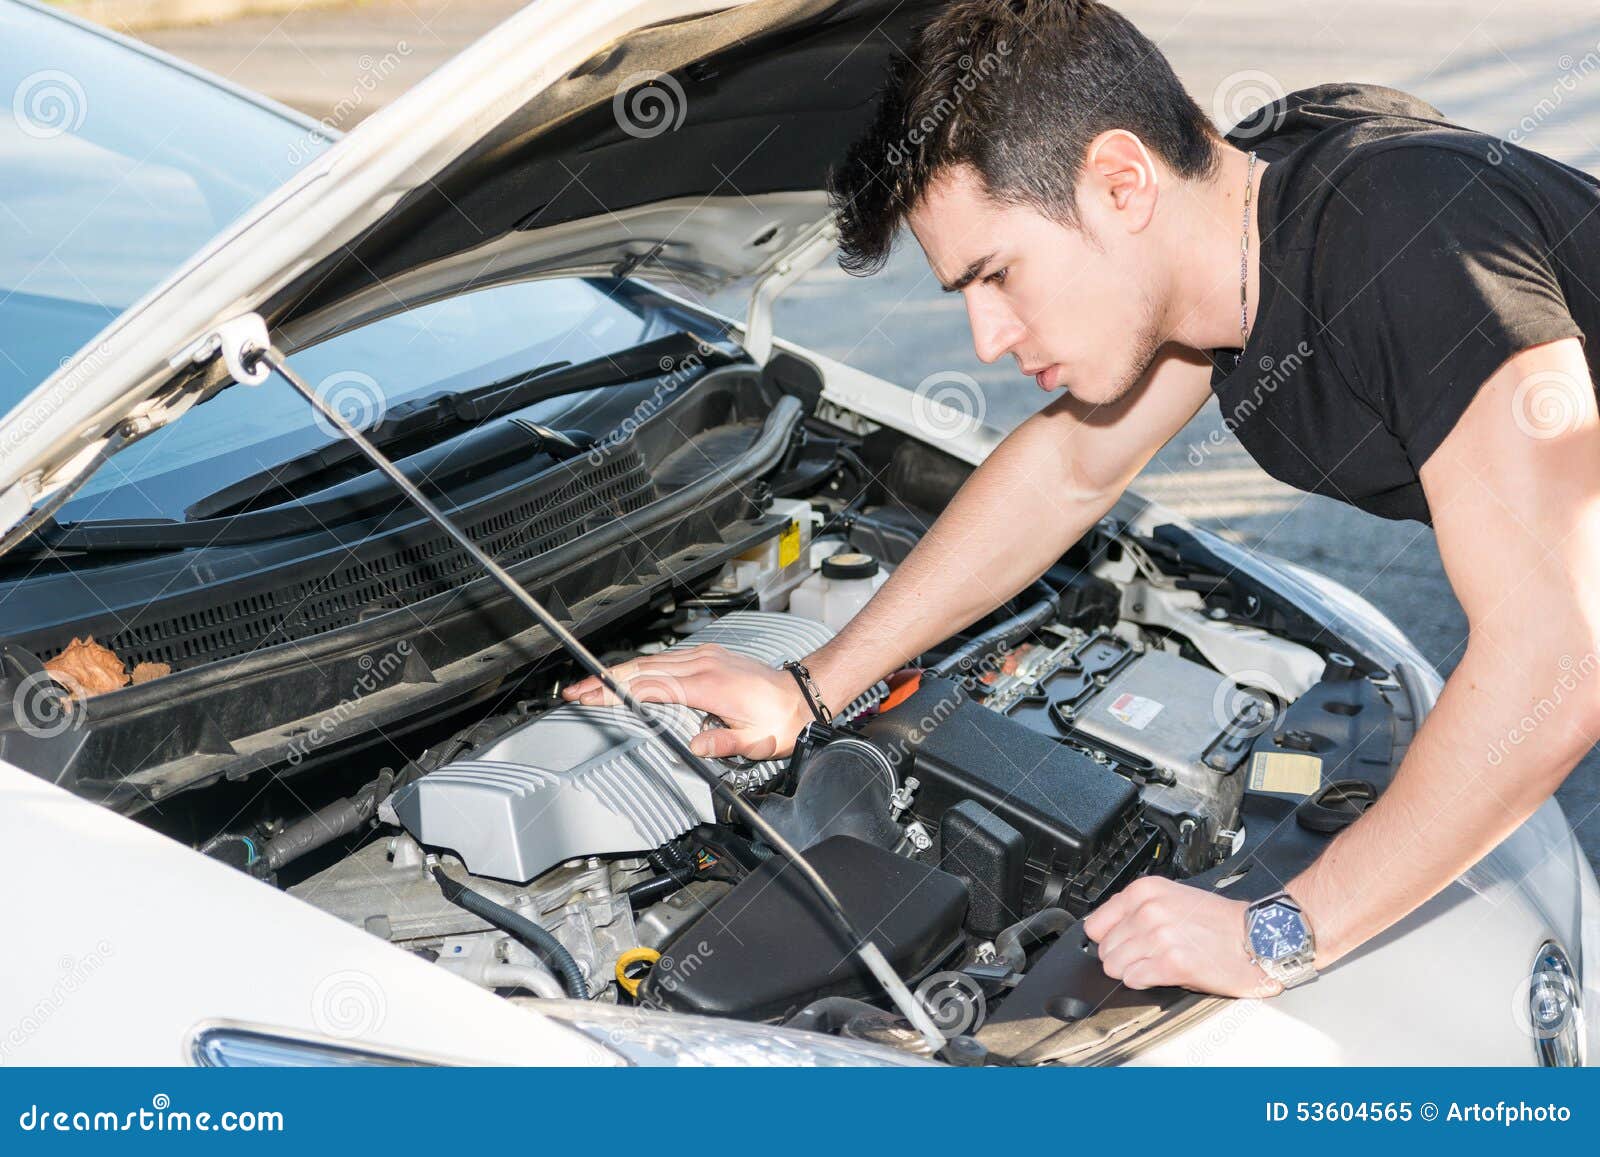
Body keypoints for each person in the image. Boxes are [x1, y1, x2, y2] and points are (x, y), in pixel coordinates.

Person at [565, 0, 1600, 998]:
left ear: (1119, 181)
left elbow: (1556, 662)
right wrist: (810, 689)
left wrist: (1275, 933)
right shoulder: (1248, 212)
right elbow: (1070, 467)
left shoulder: (1409, 232)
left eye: (998, 274)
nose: (986, 339)